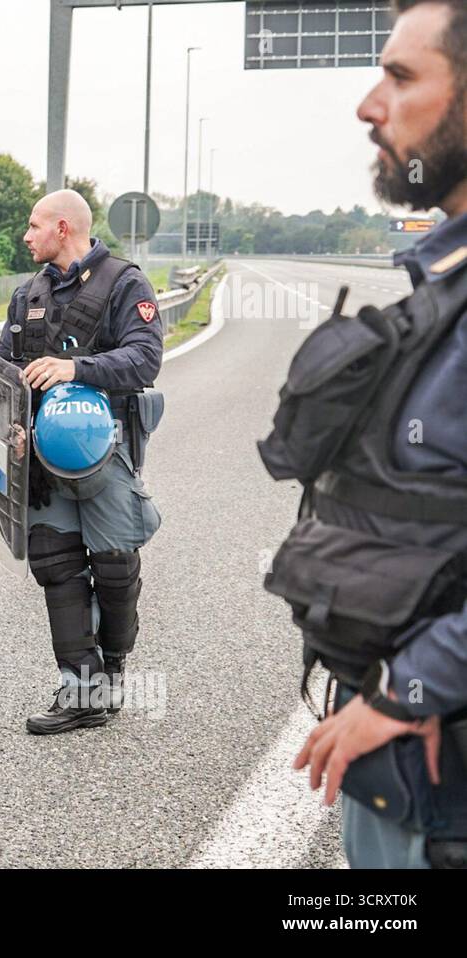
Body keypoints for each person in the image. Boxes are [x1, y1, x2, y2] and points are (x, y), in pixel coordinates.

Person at [285, 0, 467, 869]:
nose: (369, 104)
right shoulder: (442, 284)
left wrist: (411, 686)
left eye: (400, 76)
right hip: (407, 779)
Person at [0, 190, 163, 736]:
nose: (27, 235)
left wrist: (74, 369)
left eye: (33, 225)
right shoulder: (27, 295)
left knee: (115, 567)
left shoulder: (126, 283)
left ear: (63, 228)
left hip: (104, 452)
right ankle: (82, 690)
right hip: (41, 463)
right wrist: (8, 424)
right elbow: (1, 372)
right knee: (57, 569)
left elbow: (145, 358)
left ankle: (113, 667)